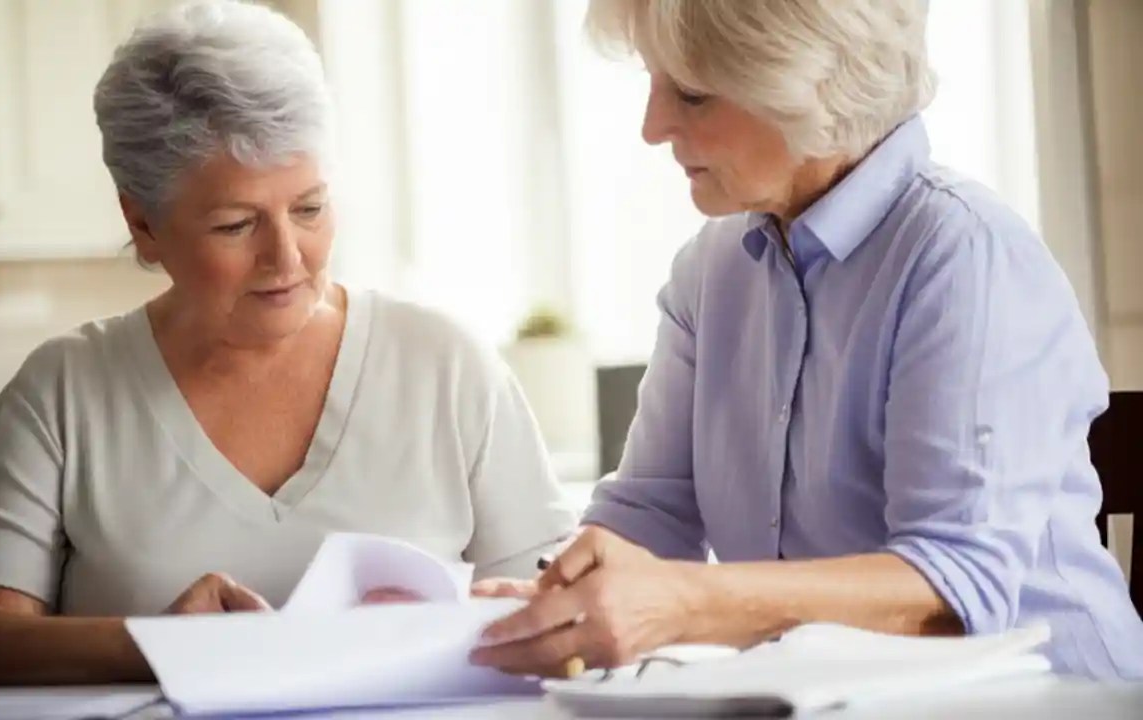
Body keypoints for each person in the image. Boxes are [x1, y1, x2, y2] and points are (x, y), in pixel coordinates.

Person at [472, 0, 1143, 680]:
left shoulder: (965, 255)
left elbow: (953, 593)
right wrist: (542, 609)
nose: (652, 127)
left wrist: (682, 602)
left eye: (693, 95)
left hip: (1054, 697)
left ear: (812, 89)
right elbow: (650, 513)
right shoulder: (713, 269)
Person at [0, 0, 575, 686]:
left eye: (310, 208)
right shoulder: (64, 392)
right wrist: (157, 646)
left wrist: (500, 616)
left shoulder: (448, 366)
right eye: (236, 225)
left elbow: (566, 617)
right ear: (142, 224)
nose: (287, 258)